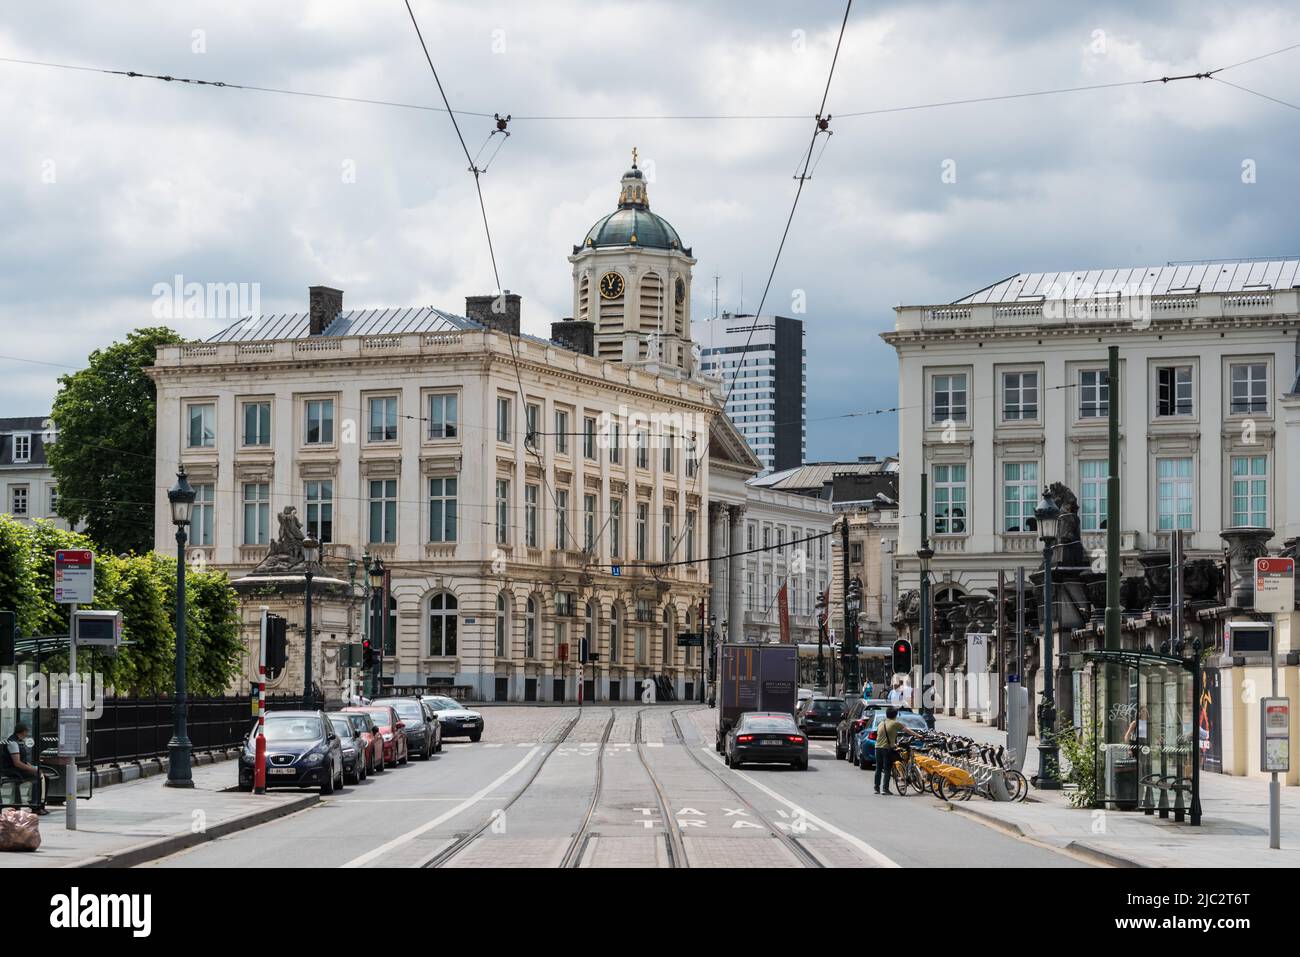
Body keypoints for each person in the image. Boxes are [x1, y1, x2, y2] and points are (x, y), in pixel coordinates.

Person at [1, 723, 48, 814]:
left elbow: (23, 761)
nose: (27, 734)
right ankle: (35, 805)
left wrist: (34, 767)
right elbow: (17, 763)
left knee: (45, 776)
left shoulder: (19, 741)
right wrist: (34, 770)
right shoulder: (13, 743)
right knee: (37, 777)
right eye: (27, 732)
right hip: (12, 770)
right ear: (23, 731)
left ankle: (39, 804)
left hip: (17, 768)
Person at [874, 707, 907, 795]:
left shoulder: (881, 723)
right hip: (886, 749)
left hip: (877, 747)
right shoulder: (895, 723)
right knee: (887, 768)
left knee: (878, 768)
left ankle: (876, 788)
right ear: (895, 715)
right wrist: (918, 735)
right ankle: (885, 789)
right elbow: (907, 730)